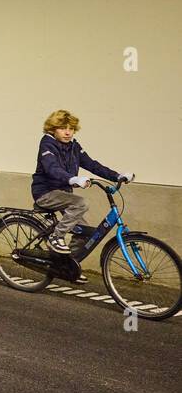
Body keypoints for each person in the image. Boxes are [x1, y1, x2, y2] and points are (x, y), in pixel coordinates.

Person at [31, 109, 132, 280]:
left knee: (85, 233)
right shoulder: (47, 144)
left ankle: (66, 267)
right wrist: (72, 179)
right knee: (80, 203)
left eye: (71, 128)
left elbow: (92, 164)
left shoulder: (73, 146)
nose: (68, 132)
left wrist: (117, 175)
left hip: (64, 194)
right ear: (52, 129)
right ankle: (56, 237)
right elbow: (51, 168)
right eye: (63, 128)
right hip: (46, 193)